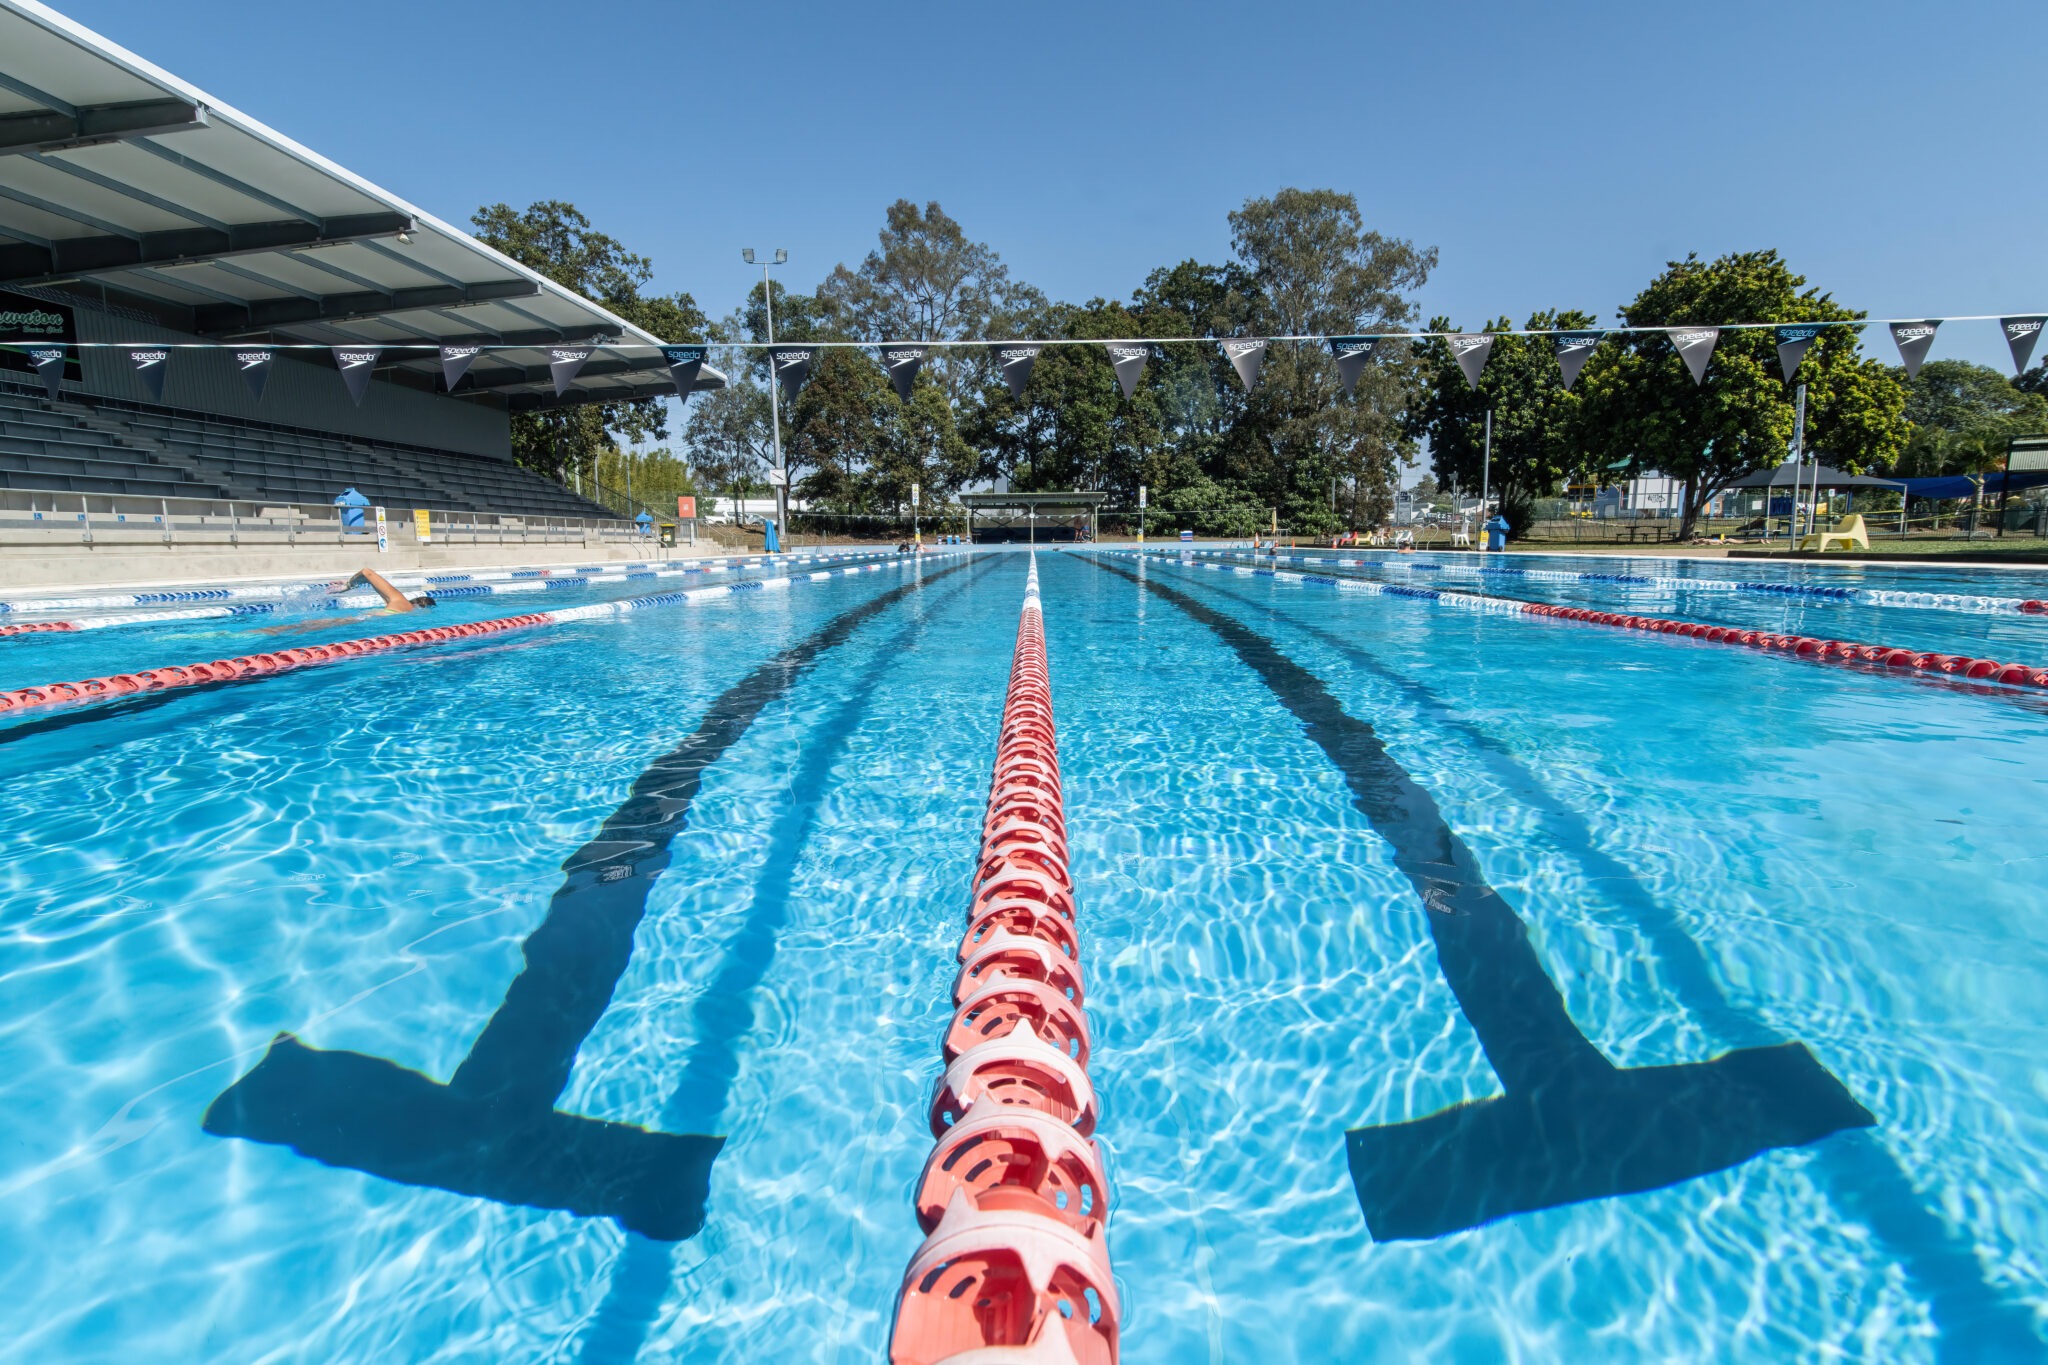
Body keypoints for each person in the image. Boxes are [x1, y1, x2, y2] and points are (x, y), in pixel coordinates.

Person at [255, 568, 433, 636]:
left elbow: (366, 574)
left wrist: (350, 585)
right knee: (294, 630)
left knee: (292, 628)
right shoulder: (405, 606)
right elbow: (367, 571)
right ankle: (249, 634)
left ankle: (249, 633)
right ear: (422, 607)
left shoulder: (400, 603)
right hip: (353, 623)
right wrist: (346, 586)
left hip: (352, 620)